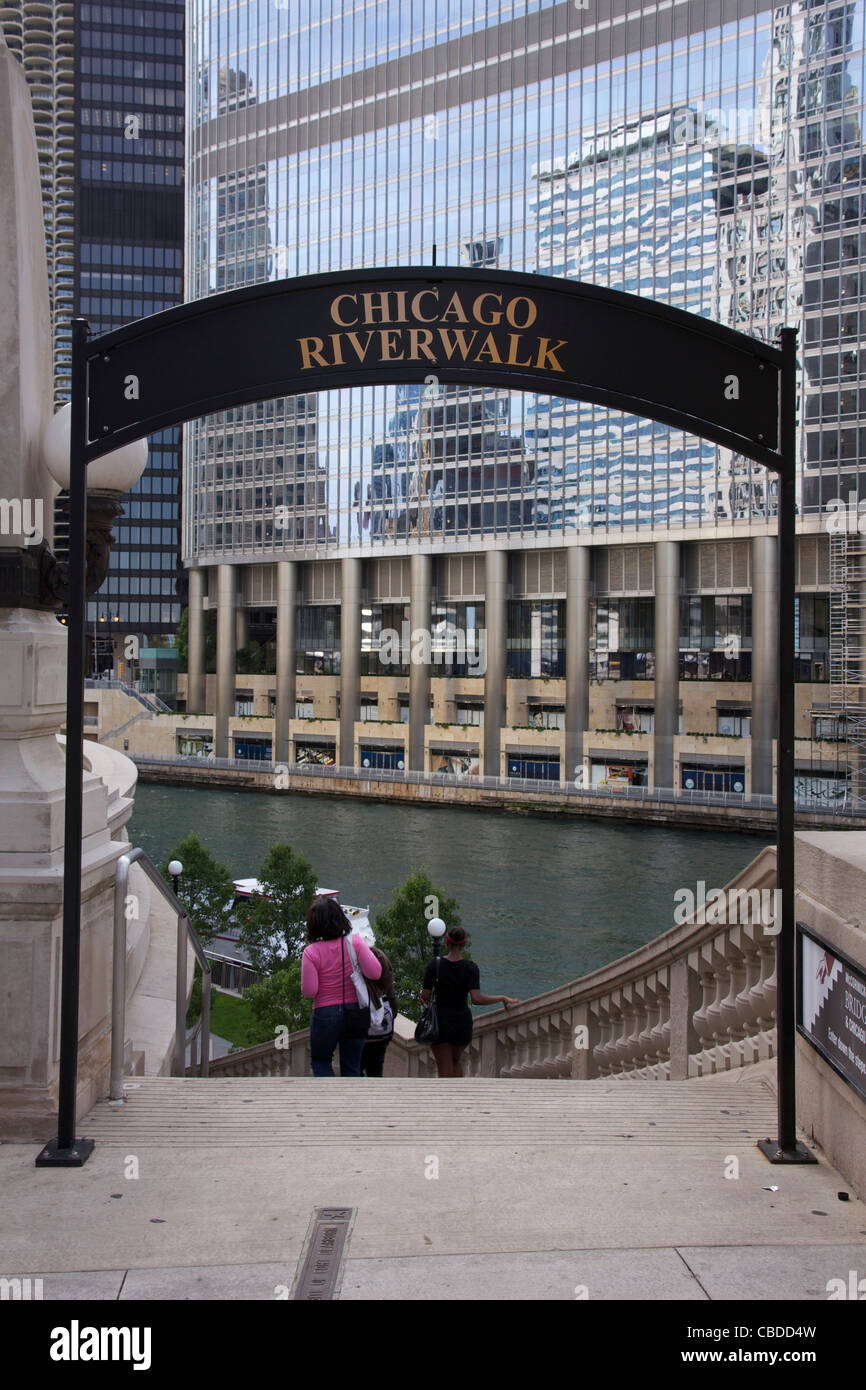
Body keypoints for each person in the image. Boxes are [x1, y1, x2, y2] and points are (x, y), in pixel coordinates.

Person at [419, 926, 520, 1078]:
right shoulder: (471, 968)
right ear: (464, 944)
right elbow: (476, 999)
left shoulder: (435, 965)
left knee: (444, 1069)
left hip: (441, 1022)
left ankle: (448, 1094)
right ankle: (460, 1092)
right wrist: (501, 997)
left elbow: (425, 996)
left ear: (446, 943)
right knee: (456, 1062)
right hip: (462, 1022)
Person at [301, 896, 382, 1077]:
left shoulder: (311, 953)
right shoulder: (355, 942)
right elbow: (375, 973)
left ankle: (328, 1095)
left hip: (325, 1013)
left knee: (321, 1061)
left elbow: (310, 991)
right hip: (355, 1012)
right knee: (352, 1065)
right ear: (340, 918)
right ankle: (350, 1096)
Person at [356, 924, 399, 1078]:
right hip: (381, 1026)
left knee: (355, 1068)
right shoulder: (381, 957)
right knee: (376, 1068)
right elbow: (390, 992)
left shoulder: (352, 959)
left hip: (359, 1023)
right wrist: (392, 1013)